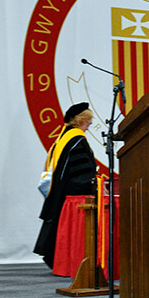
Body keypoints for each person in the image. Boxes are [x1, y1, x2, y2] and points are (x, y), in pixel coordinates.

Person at [33, 102, 98, 270]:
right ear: (81, 120)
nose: (90, 124)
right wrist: (92, 182)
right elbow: (81, 170)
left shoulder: (64, 137)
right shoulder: (76, 139)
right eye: (88, 121)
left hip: (61, 190)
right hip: (72, 192)